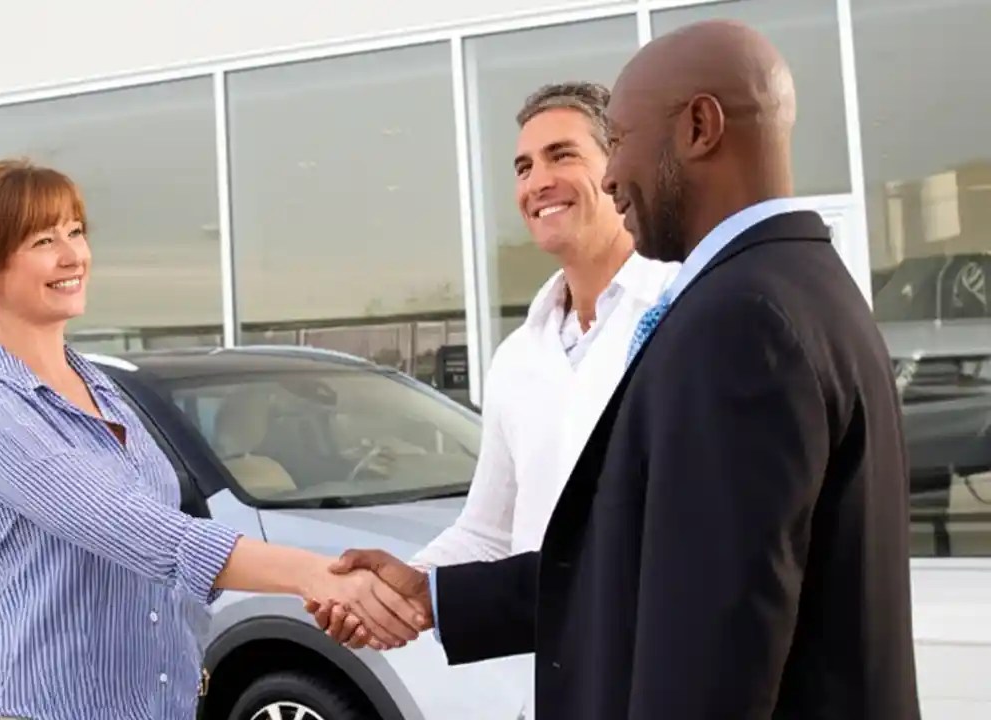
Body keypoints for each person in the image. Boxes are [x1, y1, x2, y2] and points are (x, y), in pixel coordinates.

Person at [314, 19, 920, 720]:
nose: (611, 174)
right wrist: (430, 595)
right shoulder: (800, 285)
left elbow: (712, 642)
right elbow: (633, 563)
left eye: (619, 141)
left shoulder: (734, 320)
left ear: (700, 127)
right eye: (522, 166)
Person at [0, 159, 427, 720]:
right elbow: (133, 527)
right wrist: (316, 575)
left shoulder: (102, 387)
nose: (73, 256)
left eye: (76, 231)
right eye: (44, 240)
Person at [310, 82, 677, 717]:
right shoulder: (518, 357)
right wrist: (401, 589)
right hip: (555, 691)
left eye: (562, 155)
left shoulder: (682, 316)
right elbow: (487, 529)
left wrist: (431, 599)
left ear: (615, 165)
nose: (539, 182)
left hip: (668, 686)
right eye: (524, 166)